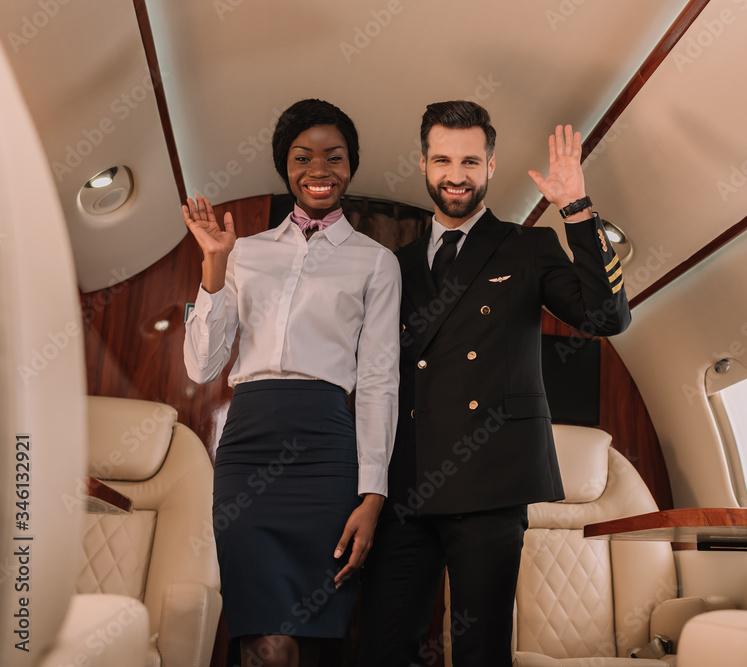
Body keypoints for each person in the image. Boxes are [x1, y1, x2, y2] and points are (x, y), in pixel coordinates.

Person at [359, 101, 630, 665]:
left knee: (481, 651)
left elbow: (606, 319)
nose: (455, 174)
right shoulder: (395, 264)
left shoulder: (527, 247)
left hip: (490, 479)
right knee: (381, 648)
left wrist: (575, 210)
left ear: (491, 166)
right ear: (423, 164)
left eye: (469, 161)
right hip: (407, 480)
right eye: (442, 160)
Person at [182, 99, 400, 667]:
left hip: (326, 452)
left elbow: (379, 380)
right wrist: (212, 267)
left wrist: (373, 494)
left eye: (334, 156)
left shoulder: (376, 262)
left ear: (351, 166)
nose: (319, 169)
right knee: (264, 640)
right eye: (303, 157)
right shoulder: (243, 253)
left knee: (313, 640)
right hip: (248, 447)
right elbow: (202, 367)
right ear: (286, 166)